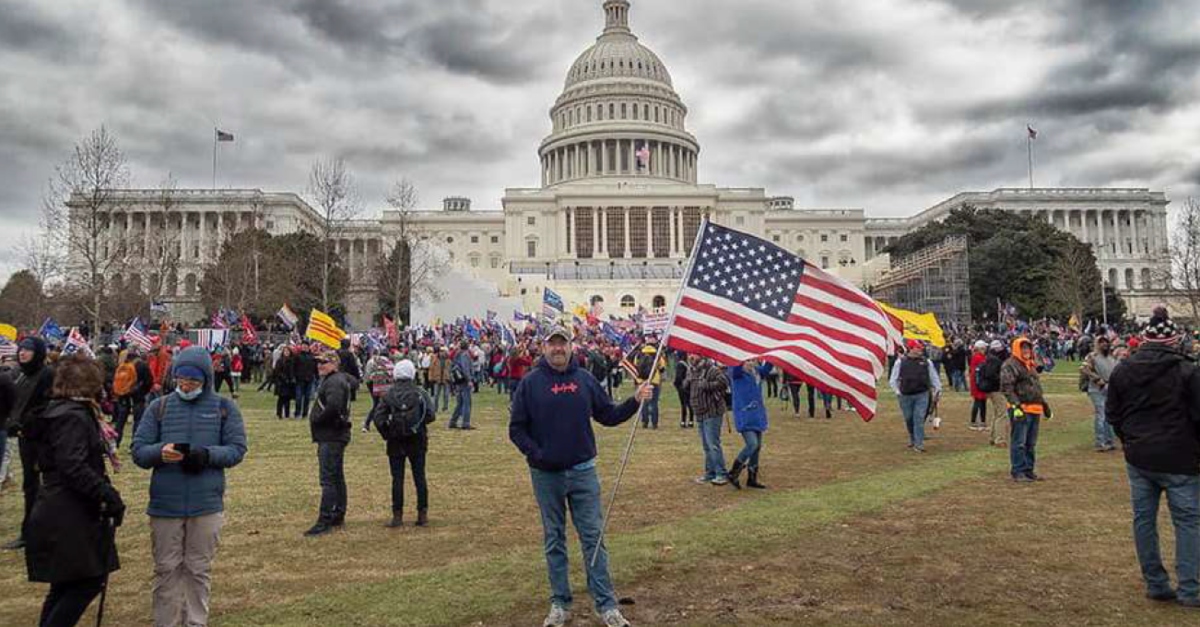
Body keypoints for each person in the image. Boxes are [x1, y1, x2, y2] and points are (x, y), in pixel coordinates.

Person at [508, 325, 651, 627]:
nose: (558, 349)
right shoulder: (530, 384)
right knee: (554, 539)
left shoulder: (584, 380)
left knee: (593, 538)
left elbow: (608, 415)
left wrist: (635, 400)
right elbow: (516, 428)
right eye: (552, 344)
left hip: (583, 471)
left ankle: (606, 605)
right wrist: (537, 453)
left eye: (563, 344)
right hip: (546, 475)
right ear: (543, 348)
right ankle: (560, 603)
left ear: (571, 347)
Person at [132, 346, 248, 627]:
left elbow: (237, 449)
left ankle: (196, 621)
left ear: (205, 379)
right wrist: (161, 451)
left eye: (193, 381)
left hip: (206, 503)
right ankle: (166, 622)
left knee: (198, 569)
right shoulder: (158, 407)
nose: (186, 385)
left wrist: (207, 455)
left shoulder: (223, 408)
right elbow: (138, 450)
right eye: (182, 379)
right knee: (166, 568)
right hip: (165, 503)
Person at [1107, 314, 1200, 608]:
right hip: (1179, 457)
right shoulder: (1188, 371)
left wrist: (1129, 441)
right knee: (1187, 522)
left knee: (1144, 520)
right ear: (1174, 341)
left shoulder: (1124, 370)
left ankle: (1156, 582)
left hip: (1141, 455)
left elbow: (1113, 414)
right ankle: (1190, 588)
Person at [24, 354, 123, 627]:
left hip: (61, 504)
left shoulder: (63, 411)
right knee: (87, 581)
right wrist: (107, 494)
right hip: (67, 508)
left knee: (67, 583)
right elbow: (73, 466)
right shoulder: (72, 416)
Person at [4, 336, 55, 551]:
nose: (23, 353)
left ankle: (42, 531)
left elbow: (49, 405)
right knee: (30, 486)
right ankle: (29, 531)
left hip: (42, 440)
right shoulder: (22, 376)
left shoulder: (47, 375)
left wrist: (30, 421)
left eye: (28, 350)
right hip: (26, 438)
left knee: (44, 487)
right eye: (21, 350)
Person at [373, 359, 436, 528]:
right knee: (419, 477)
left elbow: (378, 418)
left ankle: (397, 516)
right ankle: (422, 514)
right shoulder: (420, 392)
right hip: (417, 438)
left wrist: (388, 433)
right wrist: (418, 425)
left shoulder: (388, 394)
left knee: (397, 478)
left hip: (395, 440)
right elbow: (431, 414)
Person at [306, 350, 355, 536]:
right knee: (336, 477)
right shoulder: (335, 380)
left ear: (335, 364)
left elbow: (334, 407)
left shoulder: (334, 382)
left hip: (331, 436)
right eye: (318, 362)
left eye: (324, 362)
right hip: (334, 435)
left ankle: (325, 519)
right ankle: (338, 513)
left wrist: (318, 420)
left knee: (328, 479)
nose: (320, 365)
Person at [1000, 337, 1049, 482]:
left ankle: (1029, 470)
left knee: (1030, 443)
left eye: (1028, 348)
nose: (1026, 351)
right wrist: (1016, 406)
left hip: (1035, 408)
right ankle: (1018, 471)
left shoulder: (1031, 365)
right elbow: (1007, 387)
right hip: (1021, 408)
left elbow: (1036, 388)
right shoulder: (1010, 365)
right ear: (1017, 349)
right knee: (1019, 442)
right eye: (1023, 348)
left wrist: (1045, 406)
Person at [683, 354, 730, 485]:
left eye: (694, 354)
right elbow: (686, 386)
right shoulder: (691, 370)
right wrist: (687, 382)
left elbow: (724, 382)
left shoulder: (712, 369)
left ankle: (721, 473)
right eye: (689, 354)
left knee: (713, 444)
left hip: (712, 412)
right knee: (706, 446)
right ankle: (710, 473)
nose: (691, 357)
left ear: (701, 355)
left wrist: (707, 385)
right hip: (699, 412)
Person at [889, 340, 941, 453]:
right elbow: (893, 379)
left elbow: (934, 377)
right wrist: (898, 392)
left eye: (921, 348)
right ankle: (913, 437)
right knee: (909, 418)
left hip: (922, 394)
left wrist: (938, 389)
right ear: (911, 348)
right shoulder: (900, 362)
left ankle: (919, 444)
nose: (920, 350)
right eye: (918, 348)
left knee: (919, 417)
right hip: (905, 395)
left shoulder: (927, 362)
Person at [727, 360, 771, 489]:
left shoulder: (756, 372)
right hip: (744, 415)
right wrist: (740, 359)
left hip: (757, 415)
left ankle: (752, 478)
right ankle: (733, 472)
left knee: (757, 447)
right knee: (752, 444)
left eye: (752, 360)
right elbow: (735, 368)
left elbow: (767, 368)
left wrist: (774, 354)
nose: (750, 363)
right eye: (748, 360)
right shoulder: (736, 373)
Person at [1081, 336, 1118, 452]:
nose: (1104, 344)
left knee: (1109, 415)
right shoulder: (1092, 356)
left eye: (1106, 342)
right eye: (1101, 342)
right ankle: (1100, 442)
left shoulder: (1112, 357)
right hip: (1097, 389)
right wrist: (1097, 379)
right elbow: (1084, 369)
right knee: (1101, 414)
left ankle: (1109, 440)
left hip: (1110, 388)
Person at [978, 340, 1008, 447]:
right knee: (1002, 414)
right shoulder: (995, 360)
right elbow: (991, 374)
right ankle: (999, 439)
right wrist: (1002, 380)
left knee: (997, 413)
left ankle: (993, 436)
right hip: (995, 389)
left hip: (990, 389)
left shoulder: (989, 359)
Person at [634, 343, 665, 429]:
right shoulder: (657, 354)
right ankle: (654, 423)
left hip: (642, 381)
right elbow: (662, 368)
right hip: (654, 380)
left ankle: (645, 421)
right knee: (654, 403)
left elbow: (636, 366)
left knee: (644, 402)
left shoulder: (639, 355)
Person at [449, 341, 475, 430]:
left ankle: (453, 421)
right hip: (464, 381)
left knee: (460, 403)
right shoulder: (465, 355)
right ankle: (465, 423)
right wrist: (469, 380)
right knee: (467, 402)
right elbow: (465, 368)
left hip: (459, 380)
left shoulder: (457, 354)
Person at [967, 340, 989, 431]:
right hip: (978, 383)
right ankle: (973, 422)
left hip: (979, 382)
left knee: (982, 402)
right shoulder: (978, 357)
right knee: (978, 402)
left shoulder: (979, 356)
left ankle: (982, 422)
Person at [272, 346, 297, 419]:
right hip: (281, 382)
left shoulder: (292, 361)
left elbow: (293, 371)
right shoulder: (280, 361)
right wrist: (283, 378)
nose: (286, 353)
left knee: (288, 399)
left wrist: (292, 379)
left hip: (289, 383)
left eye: (288, 351)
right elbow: (277, 371)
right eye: (285, 351)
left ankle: (287, 414)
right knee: (281, 399)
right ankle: (279, 413)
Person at [294, 345, 317, 418]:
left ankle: (305, 413)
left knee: (307, 397)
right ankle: (297, 413)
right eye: (303, 346)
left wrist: (316, 375)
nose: (305, 348)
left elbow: (315, 367)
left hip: (309, 379)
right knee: (298, 397)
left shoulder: (312, 357)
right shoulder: (298, 356)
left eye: (306, 346)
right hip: (299, 379)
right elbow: (294, 366)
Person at [673, 354, 694, 428]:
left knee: (683, 404)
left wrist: (676, 385)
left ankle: (683, 421)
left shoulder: (680, 365)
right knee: (690, 404)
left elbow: (678, 377)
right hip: (690, 386)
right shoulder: (689, 364)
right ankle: (691, 421)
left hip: (682, 387)